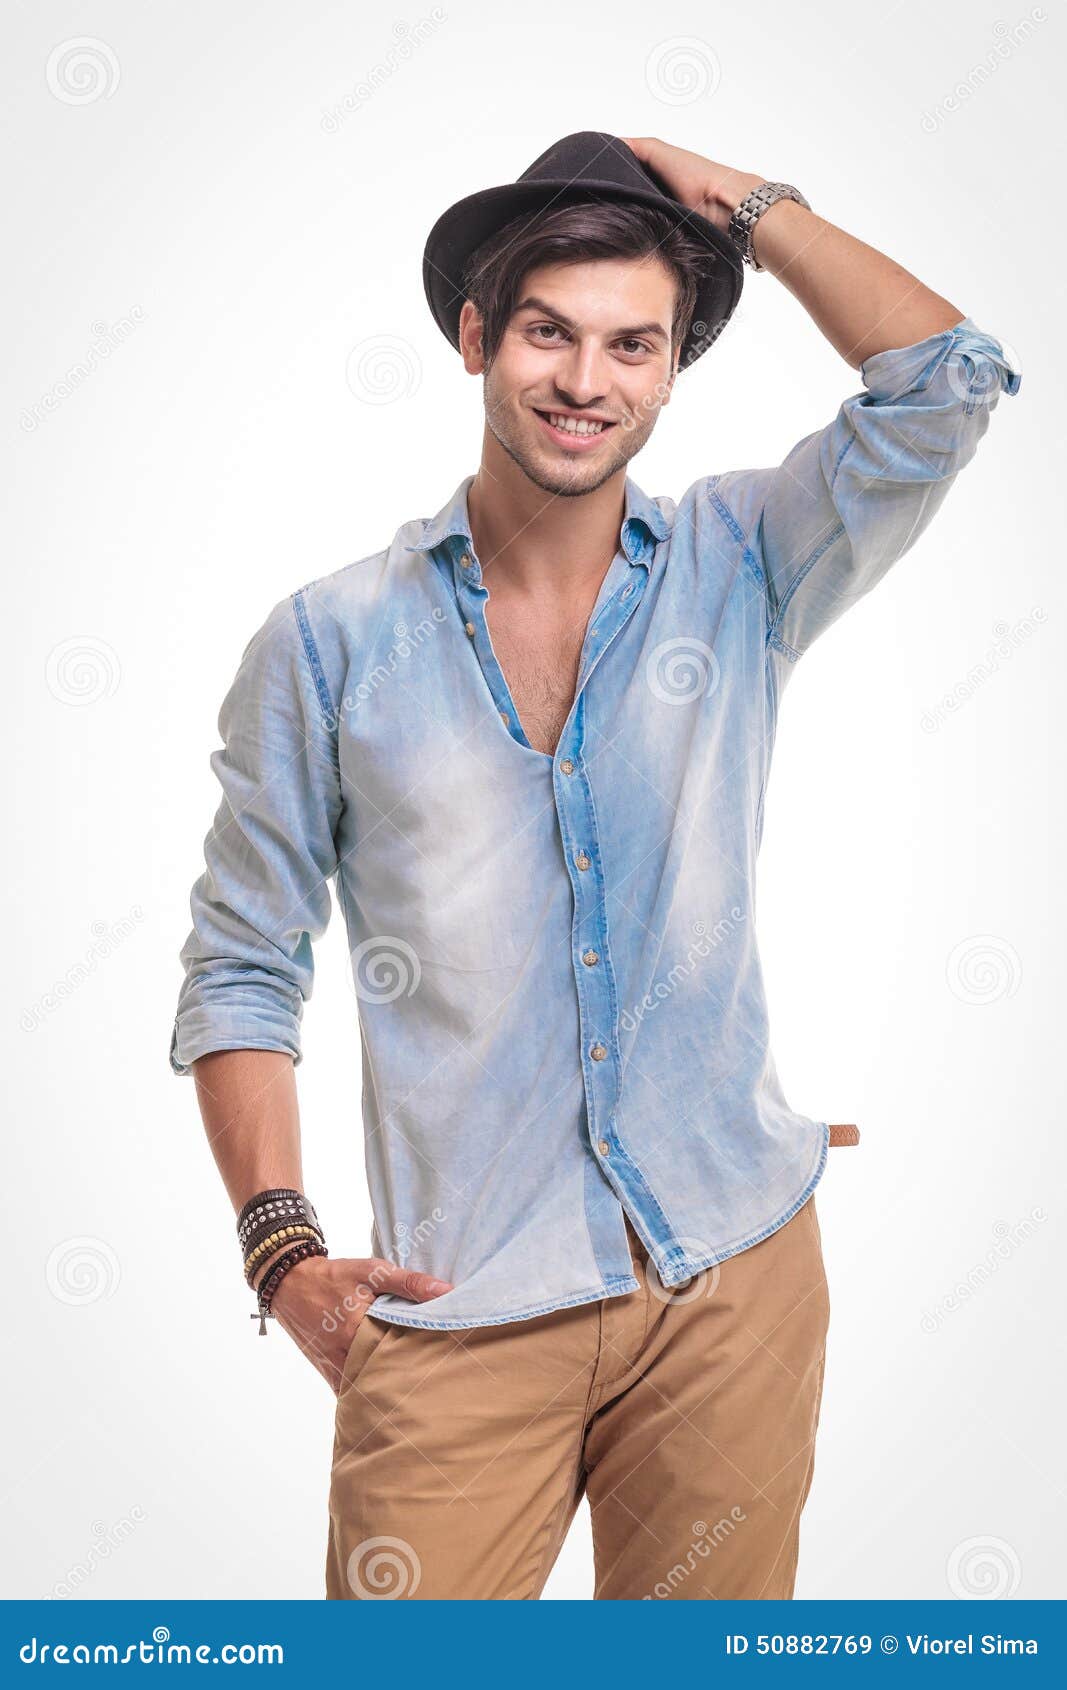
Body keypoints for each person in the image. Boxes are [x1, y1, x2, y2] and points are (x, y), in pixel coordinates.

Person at [170, 133, 1020, 1600]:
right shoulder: (328, 642)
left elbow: (946, 380)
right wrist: (281, 1247)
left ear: (674, 370)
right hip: (463, 1306)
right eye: (550, 333)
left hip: (731, 1280)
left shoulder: (743, 561)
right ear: (475, 338)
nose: (586, 381)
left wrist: (744, 207)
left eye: (635, 344)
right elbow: (244, 962)